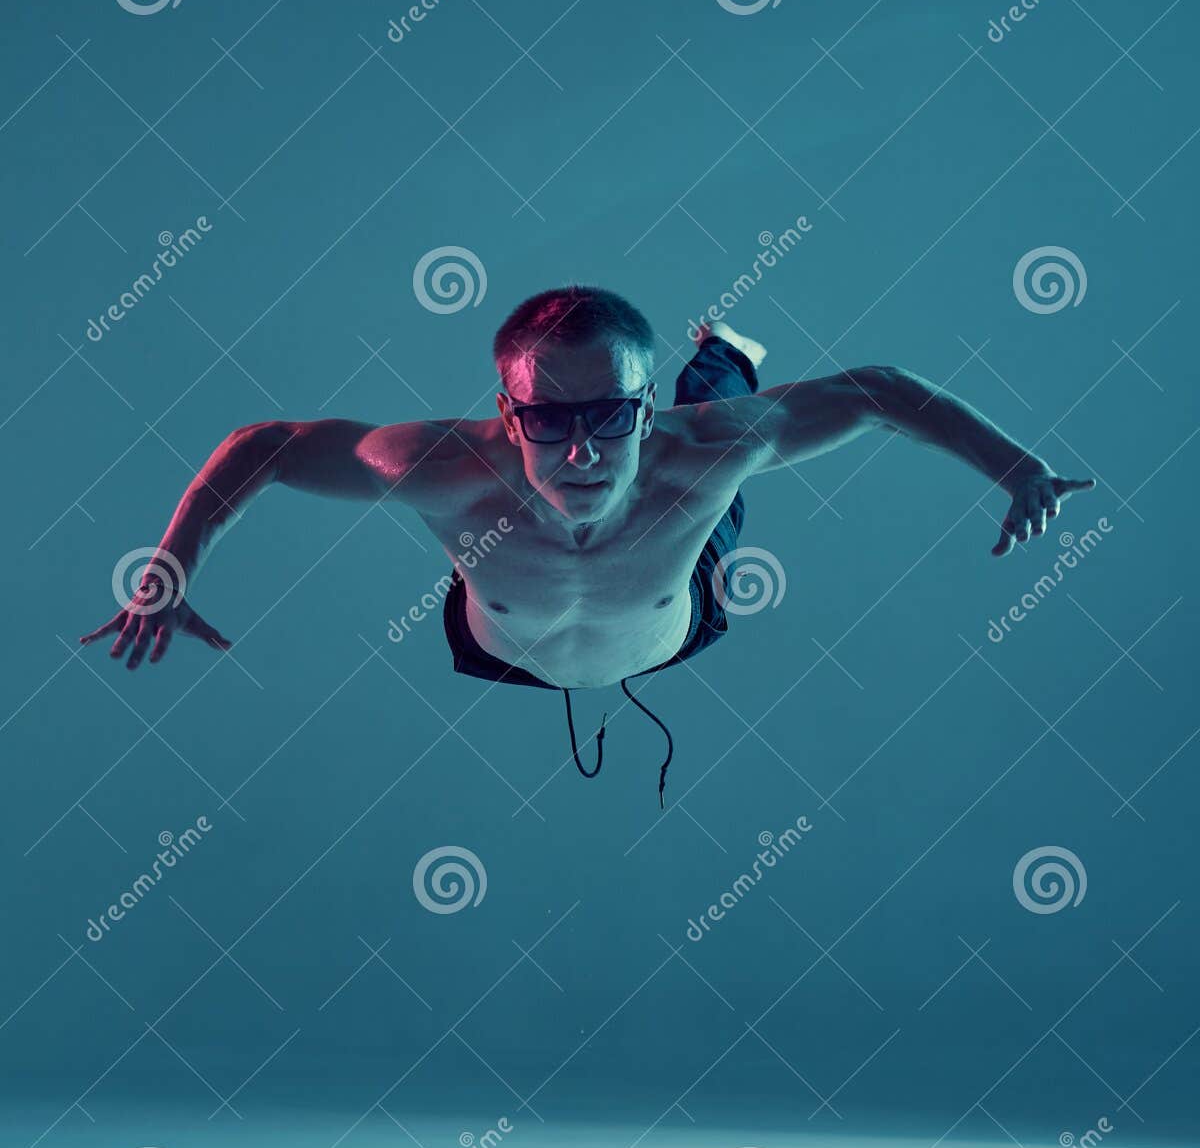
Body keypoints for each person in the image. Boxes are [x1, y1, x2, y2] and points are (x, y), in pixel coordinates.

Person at [80, 286, 1095, 805]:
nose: (579, 450)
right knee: (693, 460)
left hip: (674, 601)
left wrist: (1016, 467)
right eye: (548, 421)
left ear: (638, 409)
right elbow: (265, 446)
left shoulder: (688, 451)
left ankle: (722, 355)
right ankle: (717, 361)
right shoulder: (437, 465)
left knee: (719, 447)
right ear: (505, 410)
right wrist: (170, 570)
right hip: (498, 635)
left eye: (609, 416)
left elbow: (877, 391)